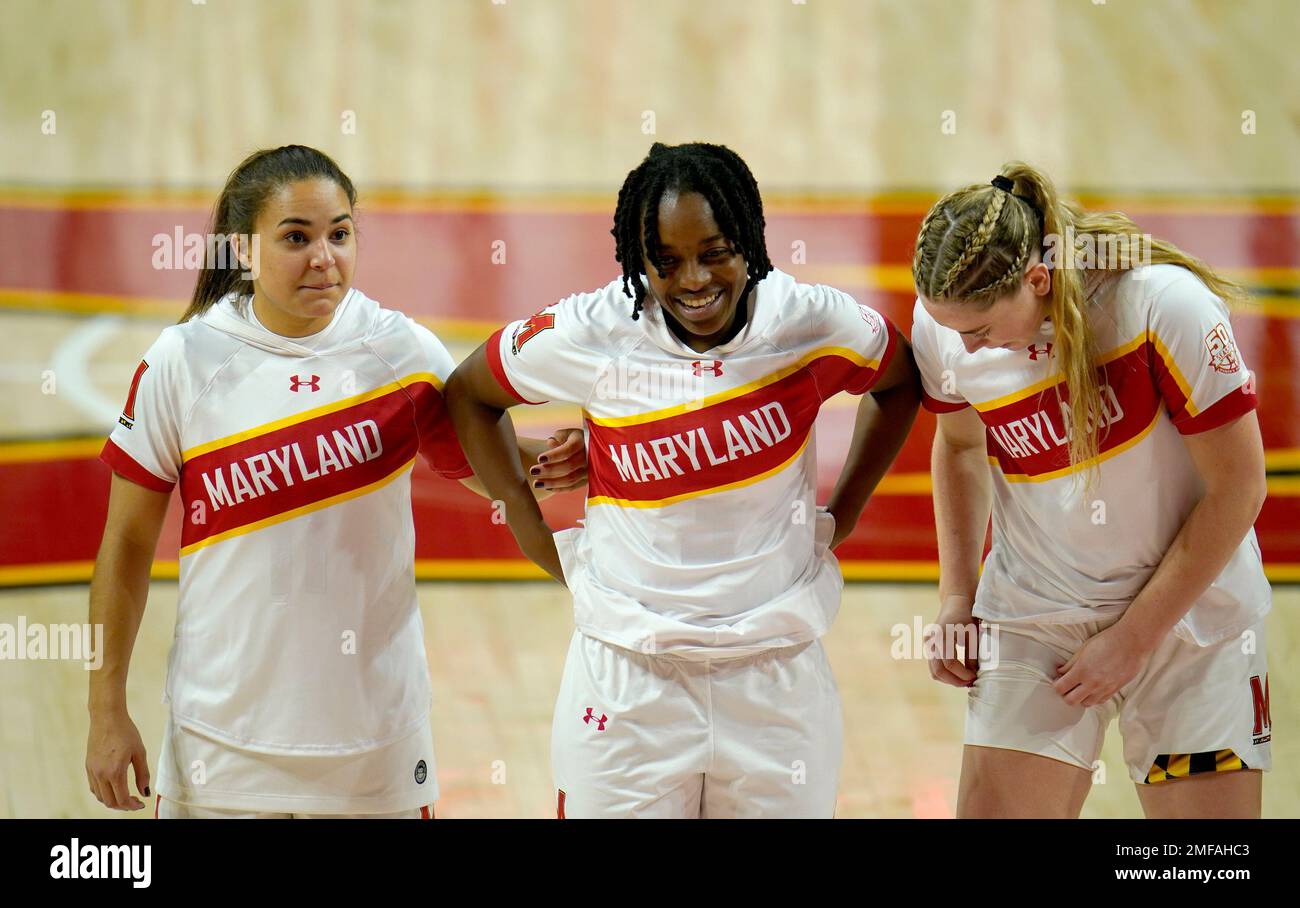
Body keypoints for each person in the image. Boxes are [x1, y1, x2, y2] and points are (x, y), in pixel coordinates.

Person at [85, 145, 587, 818]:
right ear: (244, 249)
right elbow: (124, 546)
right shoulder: (183, 362)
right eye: (296, 237)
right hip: (218, 750)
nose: (325, 257)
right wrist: (105, 710)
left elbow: (489, 466)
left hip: (374, 752)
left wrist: (557, 459)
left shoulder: (400, 352)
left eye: (340, 234)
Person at [445, 141, 921, 818]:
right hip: (625, 681)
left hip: (776, 676)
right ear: (637, 261)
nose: (693, 279)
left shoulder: (811, 322)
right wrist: (531, 529)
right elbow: (469, 392)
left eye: (715, 252)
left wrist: (842, 513)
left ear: (751, 242)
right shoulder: (595, 329)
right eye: (665, 261)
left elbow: (900, 383)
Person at [912, 163, 1271, 818]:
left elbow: (1239, 489)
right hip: (1035, 615)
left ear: (1038, 279)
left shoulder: (1163, 306)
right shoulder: (947, 325)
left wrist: (1133, 639)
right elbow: (961, 446)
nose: (965, 346)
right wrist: (956, 597)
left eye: (982, 331)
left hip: (1192, 617)